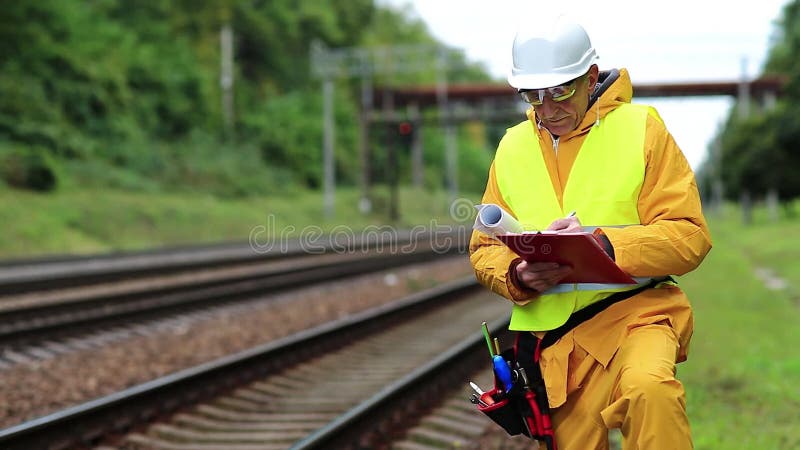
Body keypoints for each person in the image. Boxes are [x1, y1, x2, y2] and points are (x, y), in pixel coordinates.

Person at [469, 16, 712, 450]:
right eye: (533, 94)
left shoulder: (642, 130)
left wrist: (604, 245)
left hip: (637, 317)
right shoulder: (511, 147)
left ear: (591, 78)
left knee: (650, 392)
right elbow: (484, 249)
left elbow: (689, 235)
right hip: (556, 348)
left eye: (561, 90)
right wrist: (518, 276)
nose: (548, 107)